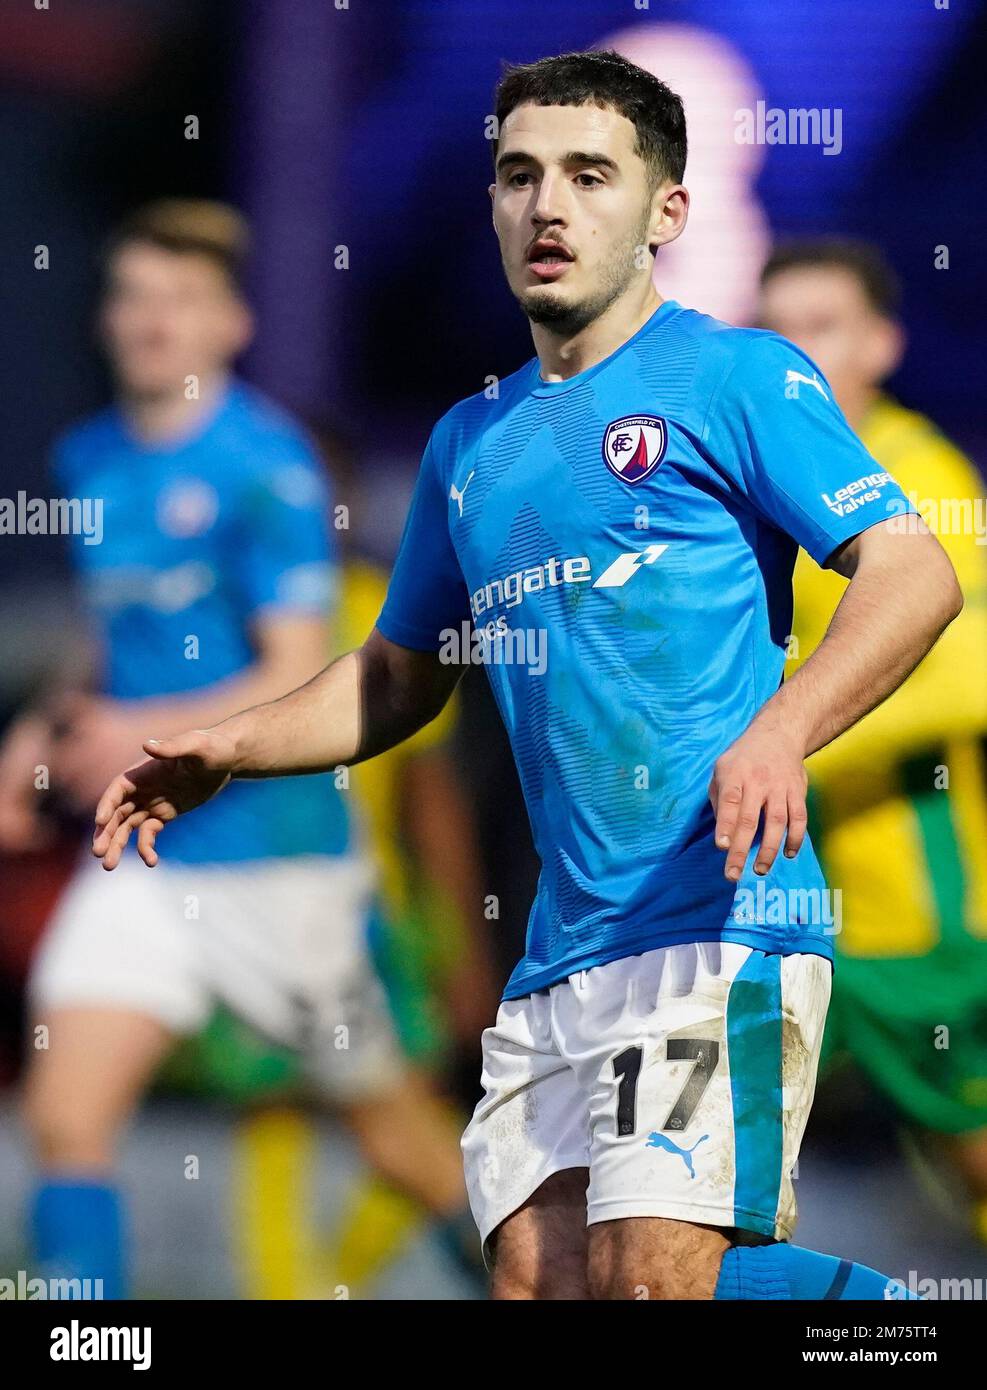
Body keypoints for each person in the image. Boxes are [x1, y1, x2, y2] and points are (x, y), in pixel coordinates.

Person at [89, 55, 961, 1300]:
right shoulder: (469, 444)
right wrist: (228, 742)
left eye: (590, 175)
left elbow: (915, 574)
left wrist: (782, 730)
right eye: (519, 175)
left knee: (654, 1282)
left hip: (716, 922)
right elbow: (398, 678)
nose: (547, 205)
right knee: (547, 1290)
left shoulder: (735, 377)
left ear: (665, 210)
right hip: (561, 958)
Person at [3, 199, 478, 1297]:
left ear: (230, 322)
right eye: (134, 296)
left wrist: (135, 730)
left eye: (182, 299)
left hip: (284, 866)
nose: (153, 320)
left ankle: (539, 1279)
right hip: (145, 857)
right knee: (66, 1115)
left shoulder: (267, 464)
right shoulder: (91, 459)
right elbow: (103, 638)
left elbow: (297, 665)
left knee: (397, 1141)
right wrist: (39, 731)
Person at [759, 238, 987, 1240]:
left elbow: (971, 676)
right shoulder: (773, 470)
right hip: (790, 878)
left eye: (822, 327)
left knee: (967, 1143)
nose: (795, 356)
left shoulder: (919, 469)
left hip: (916, 886)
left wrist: (787, 738)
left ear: (883, 342)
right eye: (774, 331)